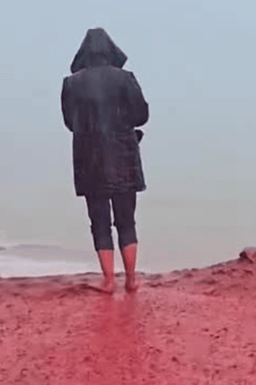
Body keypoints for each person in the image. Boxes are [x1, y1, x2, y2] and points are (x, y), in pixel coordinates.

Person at [61, 28, 149, 292]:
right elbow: (141, 115)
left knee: (99, 222)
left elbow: (70, 122)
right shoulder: (125, 79)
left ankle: (109, 281)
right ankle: (131, 279)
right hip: (123, 157)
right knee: (126, 220)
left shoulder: (71, 84)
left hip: (89, 159)